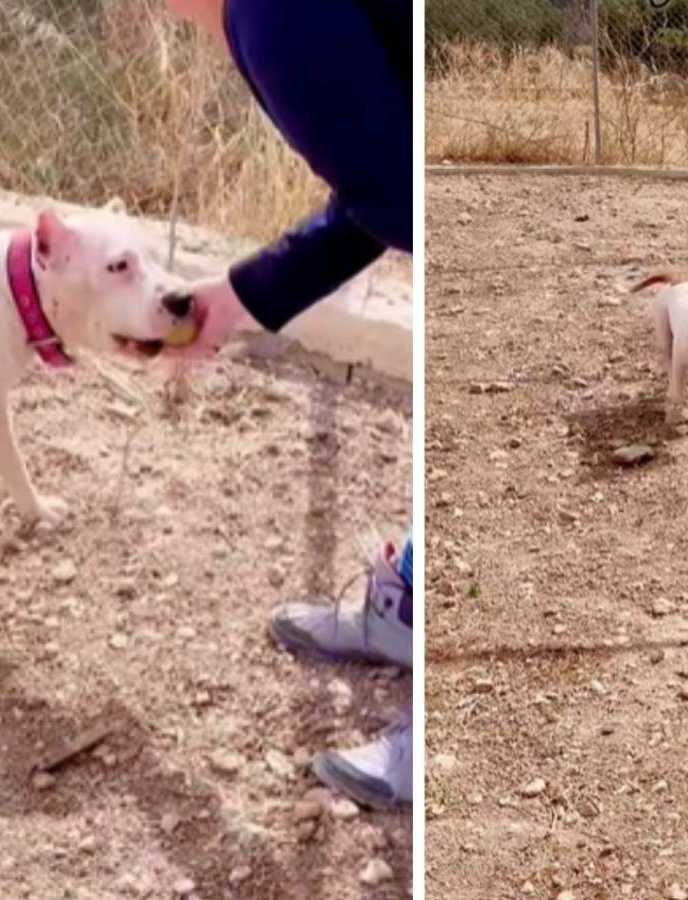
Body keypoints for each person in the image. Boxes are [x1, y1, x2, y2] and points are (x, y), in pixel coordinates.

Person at [164, 0, 413, 810]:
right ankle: (412, 601)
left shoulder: (275, 18)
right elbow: (384, 186)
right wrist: (241, 296)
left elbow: (402, 197)